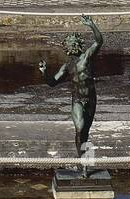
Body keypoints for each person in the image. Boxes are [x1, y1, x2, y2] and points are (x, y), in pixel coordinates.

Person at [38, 15, 104, 157]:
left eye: (72, 43)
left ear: (77, 45)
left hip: (91, 99)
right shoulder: (66, 66)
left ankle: (84, 161)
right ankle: (82, 160)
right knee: (79, 128)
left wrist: (92, 25)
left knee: (85, 131)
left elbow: (99, 41)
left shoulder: (86, 57)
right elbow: (52, 82)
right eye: (68, 44)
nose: (70, 46)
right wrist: (44, 72)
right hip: (77, 100)